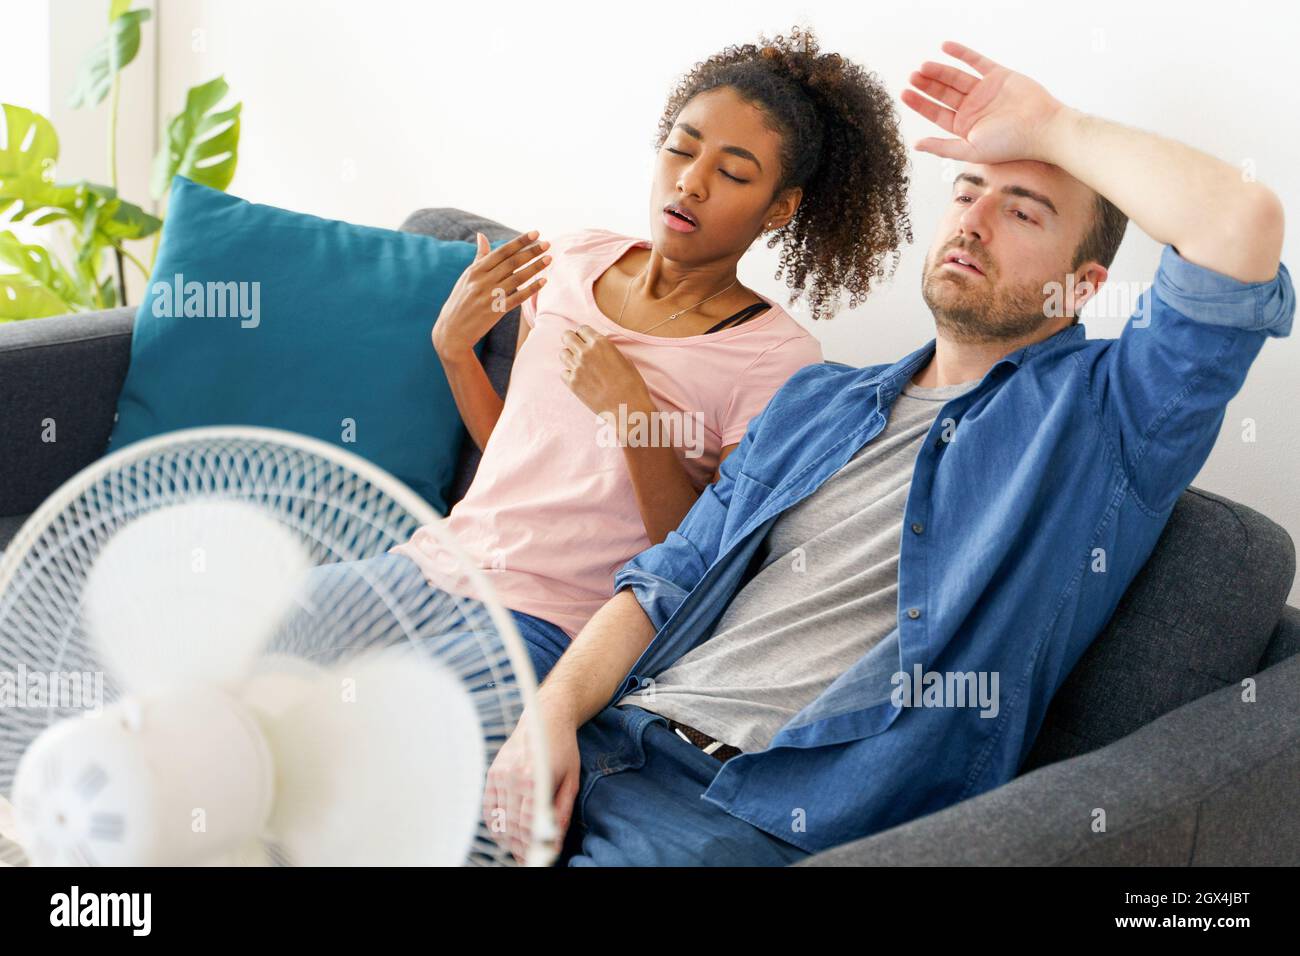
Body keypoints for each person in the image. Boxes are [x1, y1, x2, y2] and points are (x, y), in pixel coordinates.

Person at [484, 40, 1294, 866]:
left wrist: (1052, 127)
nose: (973, 223)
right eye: (968, 193)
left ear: (1084, 286)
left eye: (1021, 211)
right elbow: (666, 582)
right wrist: (548, 718)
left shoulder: (1109, 419)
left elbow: (1240, 225)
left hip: (746, 819)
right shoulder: (818, 401)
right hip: (605, 748)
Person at [381, 27, 912, 682]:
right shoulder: (570, 259)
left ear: (780, 209)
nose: (690, 183)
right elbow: (516, 456)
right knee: (245, 645)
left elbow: (697, 560)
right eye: (681, 150)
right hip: (429, 563)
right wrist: (455, 351)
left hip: (552, 626)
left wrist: (633, 413)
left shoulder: (778, 358)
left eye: (733, 172)